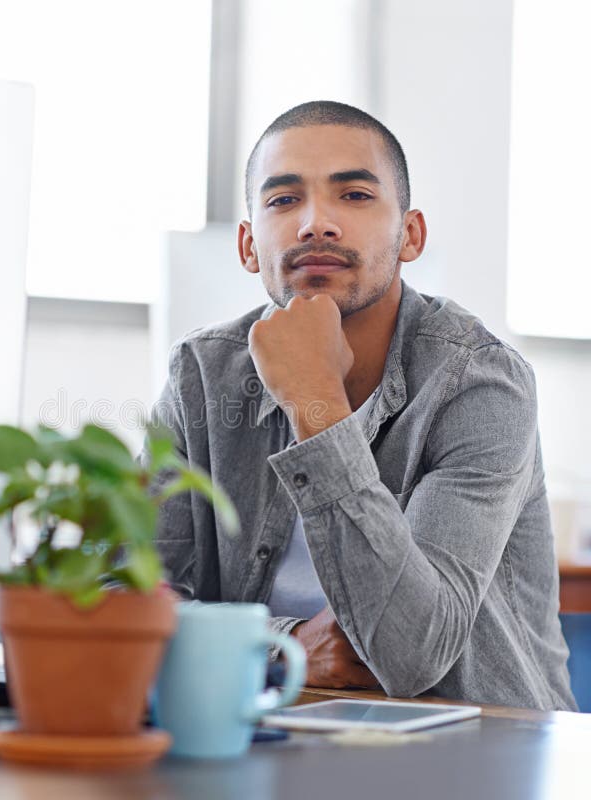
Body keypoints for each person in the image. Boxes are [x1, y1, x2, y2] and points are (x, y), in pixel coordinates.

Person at [148, 100, 575, 711]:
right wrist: (284, 646)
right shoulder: (201, 374)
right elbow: (130, 595)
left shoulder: (482, 384)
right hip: (276, 732)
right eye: (283, 200)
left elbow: (411, 651)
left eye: (353, 196)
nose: (315, 224)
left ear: (411, 236)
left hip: (474, 748)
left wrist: (315, 401)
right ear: (247, 245)